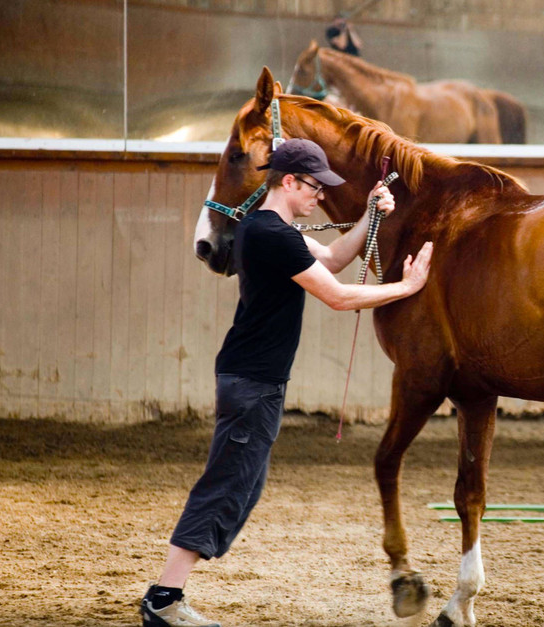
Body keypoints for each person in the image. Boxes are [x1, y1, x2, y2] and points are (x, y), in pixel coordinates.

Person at [140, 138, 433, 627]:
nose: (320, 196)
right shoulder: (273, 235)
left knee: (241, 487)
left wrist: (368, 214)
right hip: (252, 381)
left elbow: (335, 258)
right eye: (315, 187)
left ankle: (167, 595)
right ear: (290, 181)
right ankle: (164, 599)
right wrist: (407, 287)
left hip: (257, 380)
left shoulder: (272, 229)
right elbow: (338, 296)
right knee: (226, 486)